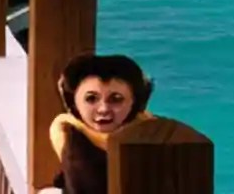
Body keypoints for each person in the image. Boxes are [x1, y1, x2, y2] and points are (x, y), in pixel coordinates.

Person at [49, 53, 155, 194]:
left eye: (116, 99)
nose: (104, 109)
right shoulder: (69, 133)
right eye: (91, 99)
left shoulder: (153, 137)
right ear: (74, 102)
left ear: (134, 102)